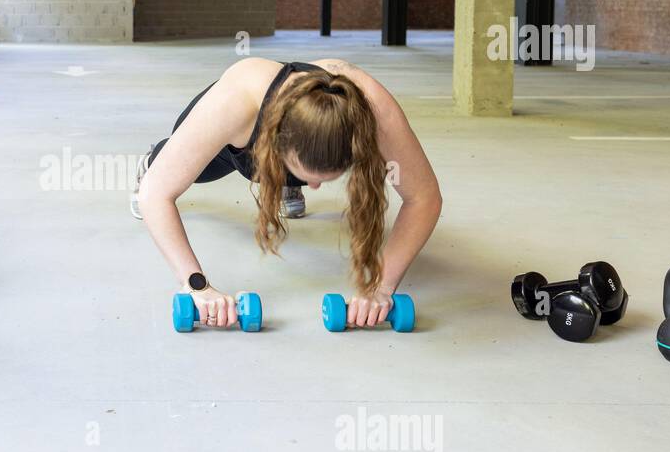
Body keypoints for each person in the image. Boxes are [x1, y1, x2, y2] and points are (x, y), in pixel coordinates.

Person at [131, 57, 441, 328]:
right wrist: (197, 287)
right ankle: (152, 159)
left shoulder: (371, 109)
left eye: (325, 179)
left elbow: (423, 198)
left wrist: (381, 288)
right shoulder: (233, 104)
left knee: (303, 171)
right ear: (278, 146)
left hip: (297, 124)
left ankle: (289, 183)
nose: (316, 187)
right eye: (306, 178)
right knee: (173, 169)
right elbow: (155, 196)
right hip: (237, 141)